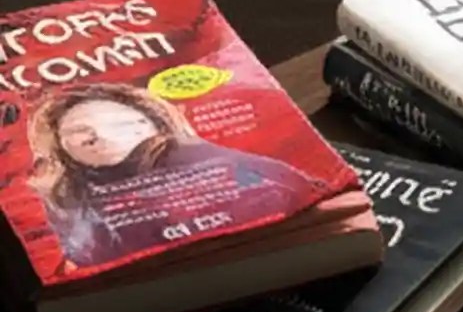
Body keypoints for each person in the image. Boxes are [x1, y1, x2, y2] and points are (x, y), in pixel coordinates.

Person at [26, 82, 332, 270]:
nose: (102, 135)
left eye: (122, 123)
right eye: (80, 134)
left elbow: (302, 195)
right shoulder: (68, 202)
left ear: (154, 124)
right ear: (62, 150)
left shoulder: (203, 158)